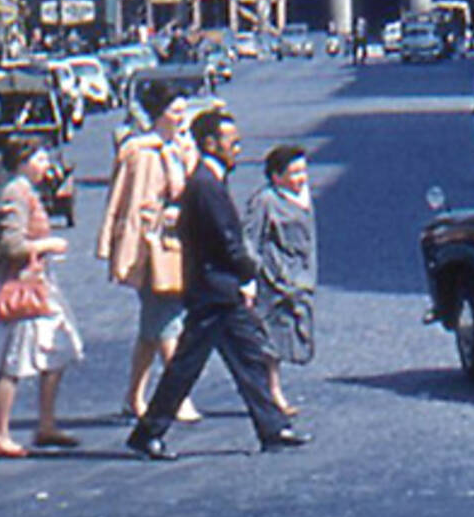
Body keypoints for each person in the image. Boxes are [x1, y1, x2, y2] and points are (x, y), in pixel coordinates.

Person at [126, 109, 310, 461]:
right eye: (231, 141)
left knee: (249, 357)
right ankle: (148, 431)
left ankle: (271, 428)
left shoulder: (207, 181)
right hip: (214, 291)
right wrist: (247, 274)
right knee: (186, 366)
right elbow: (228, 241)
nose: (237, 147)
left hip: (216, 289)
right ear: (210, 143)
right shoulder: (206, 185)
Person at [96, 81, 201, 423]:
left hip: (178, 244)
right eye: (175, 111)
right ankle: (177, 397)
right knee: (168, 320)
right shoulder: (138, 152)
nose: (182, 118)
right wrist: (109, 241)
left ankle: (133, 397)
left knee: (152, 327)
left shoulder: (185, 148)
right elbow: (121, 200)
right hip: (148, 246)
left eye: (185, 111)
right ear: (159, 115)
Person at [0, 135, 84, 458]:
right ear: (22, 161)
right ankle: (0, 434)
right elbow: (11, 245)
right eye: (39, 159)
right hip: (21, 288)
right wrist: (48, 245)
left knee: (58, 349)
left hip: (38, 285)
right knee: (13, 361)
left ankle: (46, 424)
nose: (45, 165)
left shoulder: (25, 192)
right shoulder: (16, 194)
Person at [244, 144, 315, 417]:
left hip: (300, 280)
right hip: (273, 281)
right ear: (276, 176)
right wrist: (250, 280)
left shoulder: (305, 199)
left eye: (302, 171)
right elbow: (250, 241)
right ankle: (273, 393)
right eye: (294, 172)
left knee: (290, 335)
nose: (301, 178)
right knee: (270, 339)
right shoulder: (265, 202)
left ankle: (268, 390)